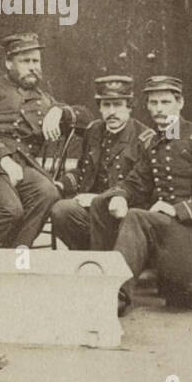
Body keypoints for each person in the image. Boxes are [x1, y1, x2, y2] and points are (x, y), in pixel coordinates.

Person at [101, 76, 192, 313]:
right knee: (112, 205)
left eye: (165, 102)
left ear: (180, 102)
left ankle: (115, 296)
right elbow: (136, 181)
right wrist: (120, 195)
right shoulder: (153, 143)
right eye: (153, 103)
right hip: (173, 237)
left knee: (136, 217)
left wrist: (176, 209)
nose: (159, 109)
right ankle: (103, 282)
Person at [0, 33, 85, 249]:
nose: (32, 67)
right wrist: (5, 160)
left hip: (23, 166)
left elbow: (85, 118)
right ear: (9, 63)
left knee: (48, 192)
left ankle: (19, 250)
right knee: (12, 211)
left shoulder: (44, 100)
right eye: (25, 61)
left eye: (36, 61)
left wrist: (60, 111)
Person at [50, 75, 147, 251]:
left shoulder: (143, 138)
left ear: (129, 106)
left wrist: (98, 199)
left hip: (123, 212)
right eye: (106, 105)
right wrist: (60, 184)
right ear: (100, 108)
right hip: (91, 211)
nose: (112, 112)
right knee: (61, 211)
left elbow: (140, 187)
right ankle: (87, 256)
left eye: (117, 105)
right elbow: (82, 170)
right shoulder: (94, 131)